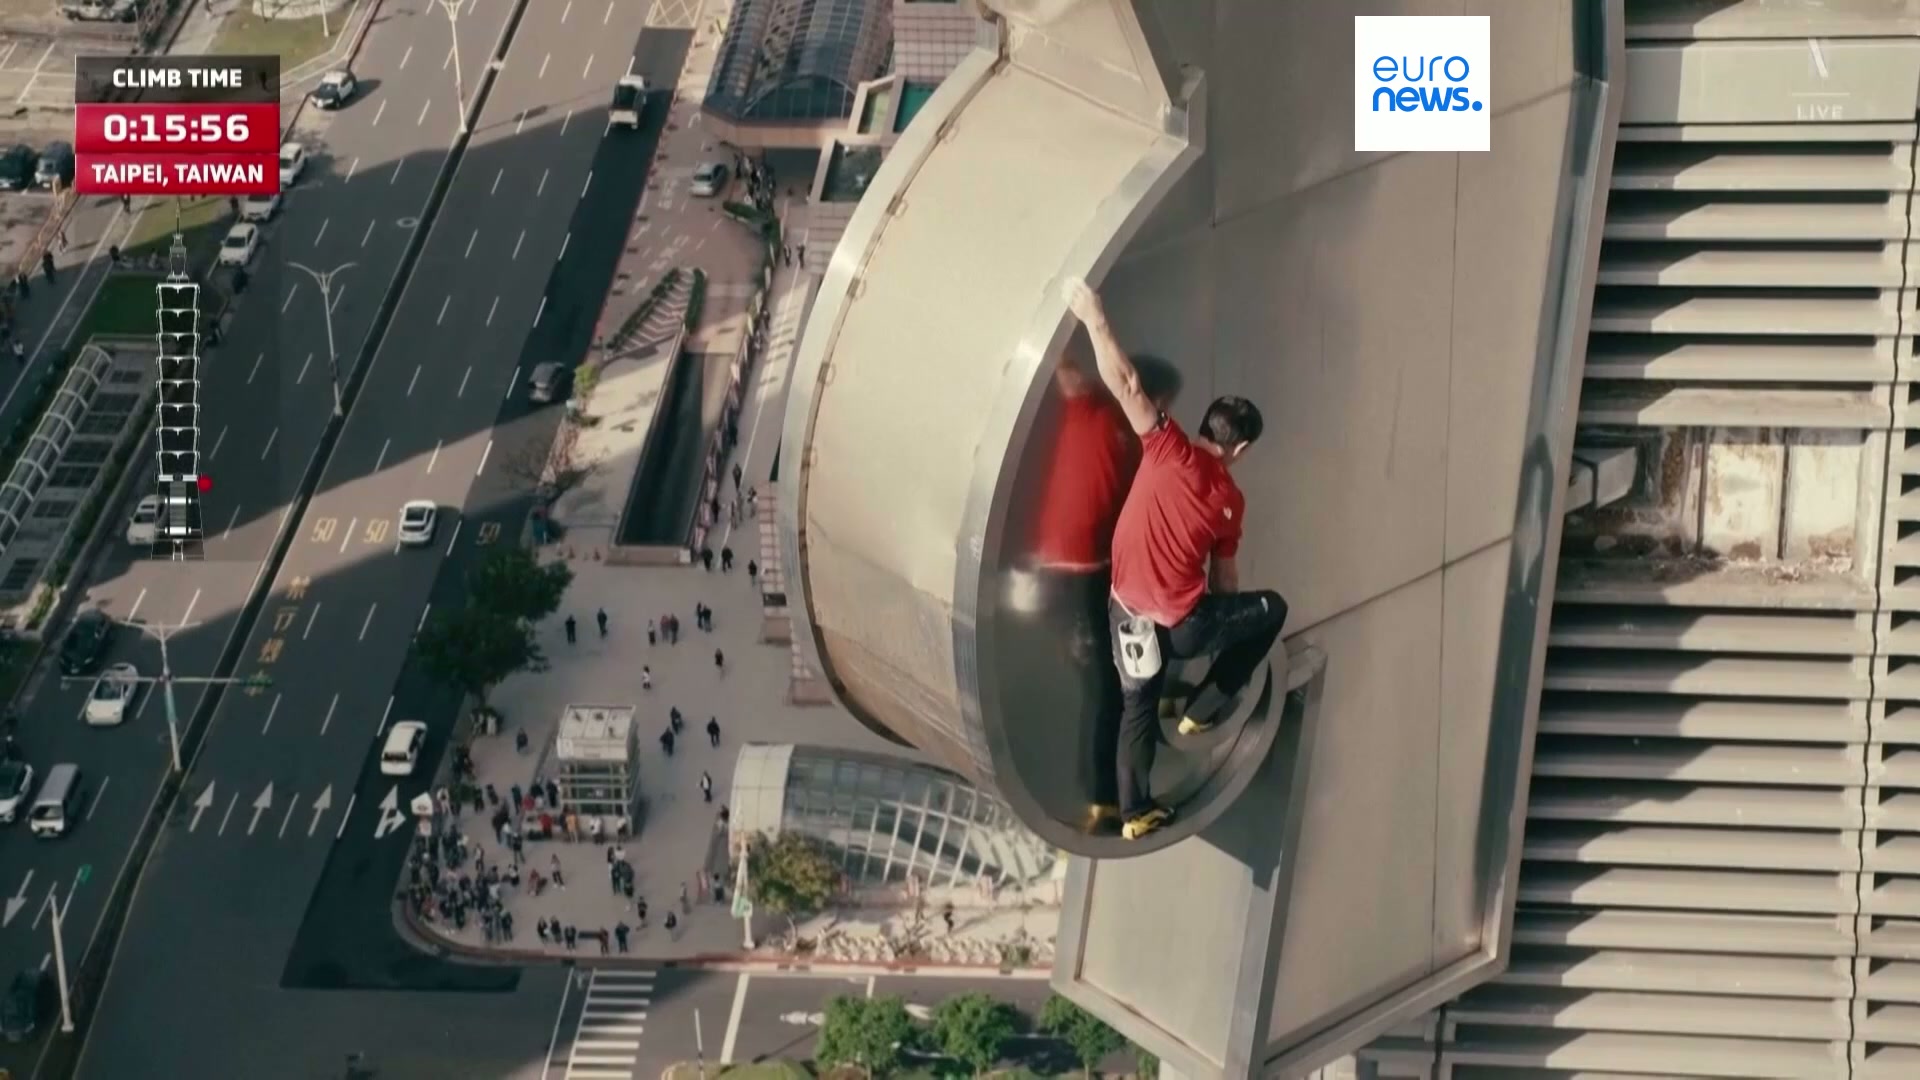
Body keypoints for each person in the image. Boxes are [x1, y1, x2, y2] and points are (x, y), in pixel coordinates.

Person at [1064, 278, 1288, 842]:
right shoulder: (1230, 501)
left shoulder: (1167, 446)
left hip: (1125, 615)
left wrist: (1093, 315)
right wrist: (1221, 623)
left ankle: (1135, 812)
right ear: (1240, 449)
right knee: (1271, 609)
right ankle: (1205, 707)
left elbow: (1127, 383)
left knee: (1135, 710)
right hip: (1185, 626)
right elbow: (1226, 580)